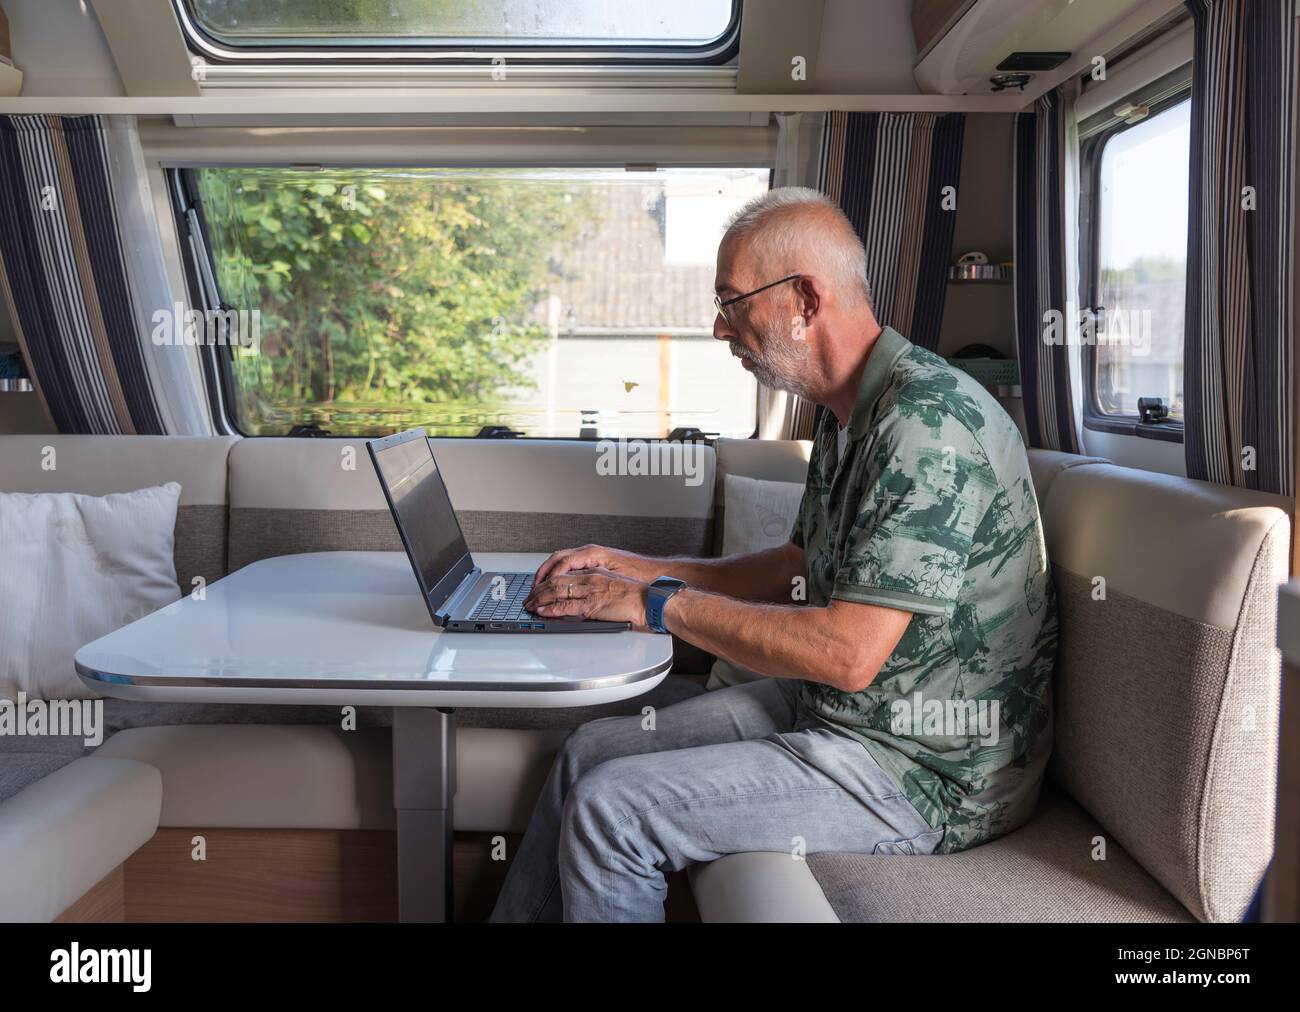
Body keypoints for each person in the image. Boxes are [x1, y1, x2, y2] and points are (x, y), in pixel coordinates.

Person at [489, 186, 1057, 923]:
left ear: (804, 300)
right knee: (589, 753)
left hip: (928, 770)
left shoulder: (926, 426)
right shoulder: (850, 411)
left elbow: (849, 653)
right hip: (847, 715)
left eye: (733, 302)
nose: (721, 328)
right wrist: (633, 569)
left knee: (612, 810)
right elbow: (795, 567)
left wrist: (659, 604)